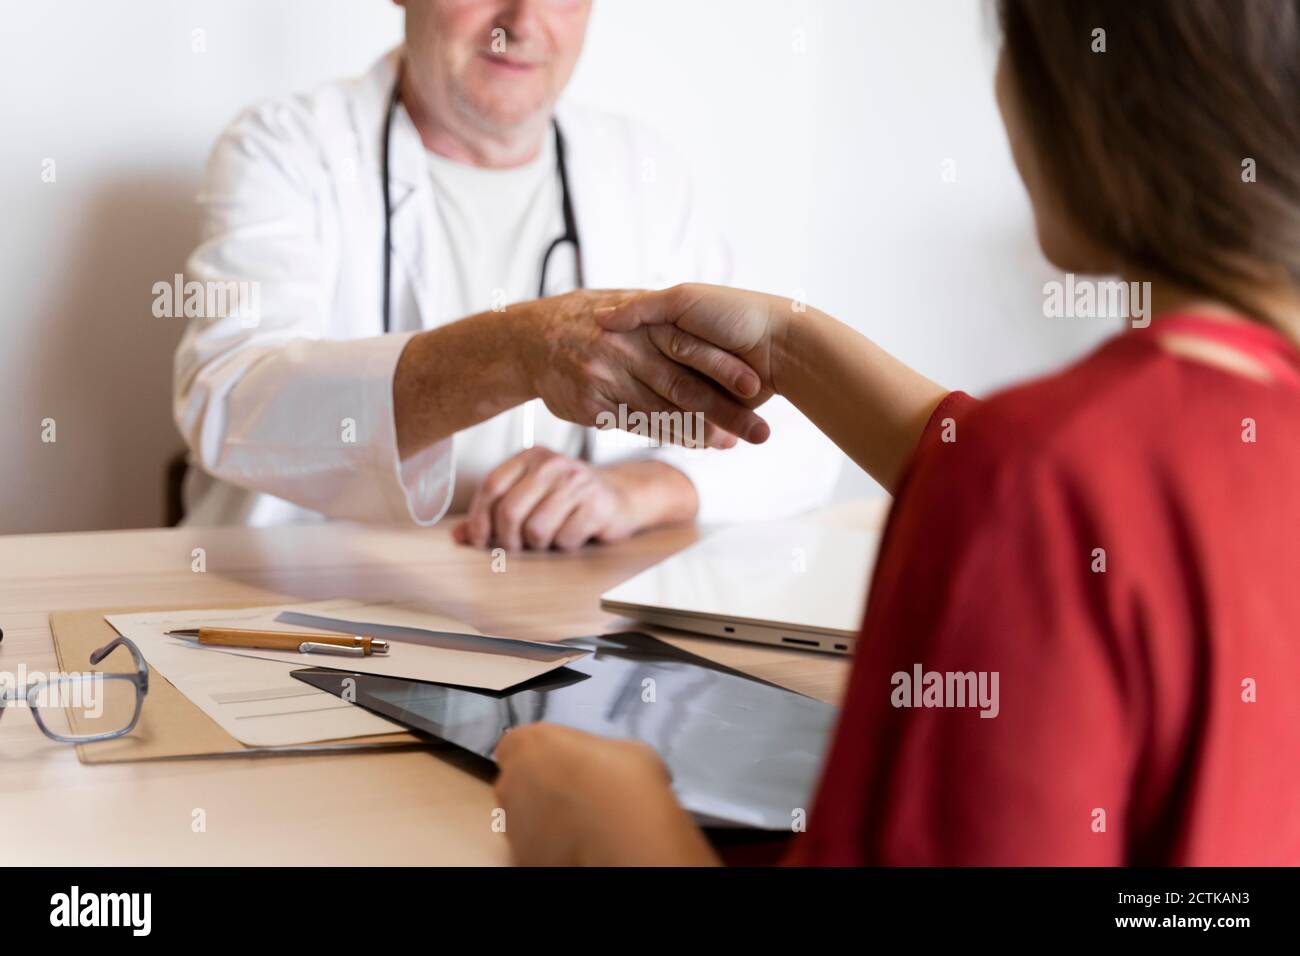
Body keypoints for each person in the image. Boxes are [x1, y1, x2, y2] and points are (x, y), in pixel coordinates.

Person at [492, 0, 1300, 865]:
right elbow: (1078, 482)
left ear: (1088, 101)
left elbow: (1043, 487)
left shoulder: (1041, 481)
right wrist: (788, 346)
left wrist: (611, 829)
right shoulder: (1169, 446)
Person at [172, 0, 837, 548]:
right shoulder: (284, 148)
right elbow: (228, 401)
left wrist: (639, 491)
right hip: (302, 605)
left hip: (555, 612)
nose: (520, 21)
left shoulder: (639, 169)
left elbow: (802, 431)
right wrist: (515, 350)